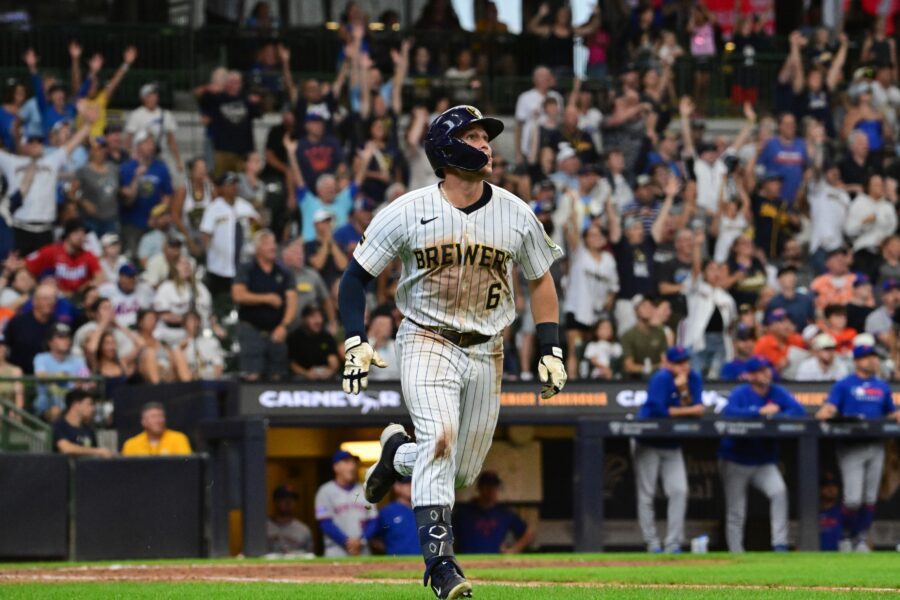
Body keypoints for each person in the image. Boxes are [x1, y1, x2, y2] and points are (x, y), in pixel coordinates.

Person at [339, 105, 566, 599]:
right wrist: (355, 339)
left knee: (461, 470)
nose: (486, 145)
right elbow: (354, 278)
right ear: (446, 148)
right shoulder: (405, 210)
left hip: (488, 348)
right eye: (474, 136)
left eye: (487, 137)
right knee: (440, 440)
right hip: (426, 338)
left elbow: (541, 279)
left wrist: (550, 347)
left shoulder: (515, 211)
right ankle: (440, 566)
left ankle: (398, 454)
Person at [816, 345, 900, 552]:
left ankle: (860, 538)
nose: (872, 360)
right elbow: (829, 408)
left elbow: (890, 411)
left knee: (870, 498)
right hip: (851, 446)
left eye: (873, 356)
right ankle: (845, 535)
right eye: (866, 357)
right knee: (853, 499)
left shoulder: (882, 386)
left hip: (876, 444)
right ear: (857, 361)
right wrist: (827, 410)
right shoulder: (845, 385)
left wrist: (896, 414)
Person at [718, 356, 805, 552]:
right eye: (760, 370)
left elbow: (799, 412)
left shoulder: (777, 392)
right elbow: (729, 413)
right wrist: (759, 411)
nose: (766, 373)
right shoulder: (740, 393)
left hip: (763, 461)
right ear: (750, 375)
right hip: (736, 458)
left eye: (767, 369)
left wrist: (774, 414)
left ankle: (779, 544)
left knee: (779, 492)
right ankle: (736, 551)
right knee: (736, 509)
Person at [632, 346, 704, 553]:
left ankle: (673, 543)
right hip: (648, 441)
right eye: (679, 363)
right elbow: (659, 411)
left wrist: (683, 391)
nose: (684, 366)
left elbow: (698, 409)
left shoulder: (694, 378)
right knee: (647, 494)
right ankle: (652, 542)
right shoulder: (661, 378)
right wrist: (687, 410)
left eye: (685, 362)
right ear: (669, 364)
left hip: (672, 444)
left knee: (680, 490)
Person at [231, 230, 296, 380]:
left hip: (277, 329)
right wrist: (266, 298)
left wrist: (284, 326)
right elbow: (238, 295)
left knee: (277, 375)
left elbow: (292, 300)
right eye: (267, 243)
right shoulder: (247, 268)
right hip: (251, 328)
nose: (273, 247)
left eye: (273, 243)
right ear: (257, 248)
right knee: (252, 374)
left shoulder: (284, 272)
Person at [199, 171, 261, 317]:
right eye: (229, 184)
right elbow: (205, 234)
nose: (234, 187)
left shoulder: (244, 206)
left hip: (242, 264)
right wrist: (205, 256)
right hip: (219, 266)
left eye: (235, 184)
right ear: (221, 188)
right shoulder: (214, 208)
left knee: (241, 300)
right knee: (219, 302)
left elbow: (259, 225)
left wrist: (256, 222)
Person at [119, 128, 175, 256]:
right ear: (138, 145)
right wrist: (136, 177)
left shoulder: (161, 167)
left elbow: (167, 195)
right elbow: (127, 199)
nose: (151, 146)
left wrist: (158, 216)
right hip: (131, 224)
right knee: (132, 257)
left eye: (152, 143)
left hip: (154, 224)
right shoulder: (127, 168)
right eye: (147, 143)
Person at [453, 471, 535, 555]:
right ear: (479, 488)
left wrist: (513, 550)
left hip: (495, 563)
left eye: (494, 486)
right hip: (467, 562)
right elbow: (446, 534)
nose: (491, 490)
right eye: (487, 486)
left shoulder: (504, 513)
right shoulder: (463, 512)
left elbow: (529, 532)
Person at [314, 449, 377, 557]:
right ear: (336, 467)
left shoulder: (365, 490)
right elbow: (325, 522)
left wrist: (361, 540)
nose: (352, 466)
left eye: (353, 462)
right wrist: (346, 542)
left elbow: (374, 520)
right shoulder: (325, 491)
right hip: (336, 550)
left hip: (362, 549)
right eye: (346, 462)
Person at [24, 219, 103, 296]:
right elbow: (27, 266)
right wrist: (37, 286)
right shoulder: (52, 251)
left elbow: (100, 277)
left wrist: (84, 288)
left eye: (83, 234)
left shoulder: (88, 255)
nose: (81, 237)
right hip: (54, 295)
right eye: (76, 233)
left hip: (79, 297)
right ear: (67, 234)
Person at [124, 82, 183, 176]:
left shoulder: (166, 115)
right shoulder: (135, 115)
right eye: (149, 95)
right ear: (143, 98)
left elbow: (171, 140)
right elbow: (128, 140)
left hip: (161, 157)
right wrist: (129, 157)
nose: (153, 97)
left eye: (155, 94)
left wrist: (178, 160)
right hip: (140, 159)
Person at [33, 323, 89, 421]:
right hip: (48, 403)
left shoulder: (78, 360)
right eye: (60, 337)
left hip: (71, 404)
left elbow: (87, 381)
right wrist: (64, 377)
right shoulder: (41, 358)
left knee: (85, 408)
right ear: (50, 342)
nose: (66, 341)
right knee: (56, 410)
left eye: (67, 337)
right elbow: (41, 375)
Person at [53, 389, 113, 457]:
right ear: (76, 405)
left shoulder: (89, 430)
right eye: (89, 404)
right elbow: (66, 448)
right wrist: (97, 451)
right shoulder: (59, 426)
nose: (93, 409)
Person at [620, 296, 667, 379]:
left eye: (651, 306)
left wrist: (659, 367)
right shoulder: (628, 335)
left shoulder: (660, 332)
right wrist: (651, 368)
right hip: (635, 380)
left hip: (658, 377)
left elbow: (665, 360)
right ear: (636, 310)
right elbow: (629, 366)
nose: (648, 309)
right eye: (644, 306)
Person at [287, 304, 338, 380]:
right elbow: (291, 363)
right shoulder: (294, 337)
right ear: (304, 319)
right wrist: (306, 373)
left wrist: (330, 371)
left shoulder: (326, 337)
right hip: (302, 376)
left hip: (324, 375)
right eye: (313, 317)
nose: (318, 321)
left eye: (320, 317)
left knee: (338, 379)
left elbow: (333, 360)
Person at [121, 402, 192, 456]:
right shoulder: (131, 444)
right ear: (143, 422)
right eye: (153, 417)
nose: (158, 421)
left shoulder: (178, 439)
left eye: (160, 416)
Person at [371, 477, 419, 556]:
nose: (410, 486)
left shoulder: (425, 509)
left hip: (422, 563)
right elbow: (373, 537)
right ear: (396, 486)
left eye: (413, 482)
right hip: (396, 563)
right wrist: (390, 551)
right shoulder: (387, 512)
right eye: (406, 483)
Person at [98, 263, 152, 328]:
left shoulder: (144, 289)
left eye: (135, 276)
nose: (133, 279)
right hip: (117, 330)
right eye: (130, 276)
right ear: (121, 277)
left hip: (141, 329)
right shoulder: (106, 290)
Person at [267, 484, 314, 556]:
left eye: (292, 499)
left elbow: (310, 556)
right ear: (275, 501)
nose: (288, 502)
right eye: (283, 498)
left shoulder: (303, 530)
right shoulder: (263, 528)